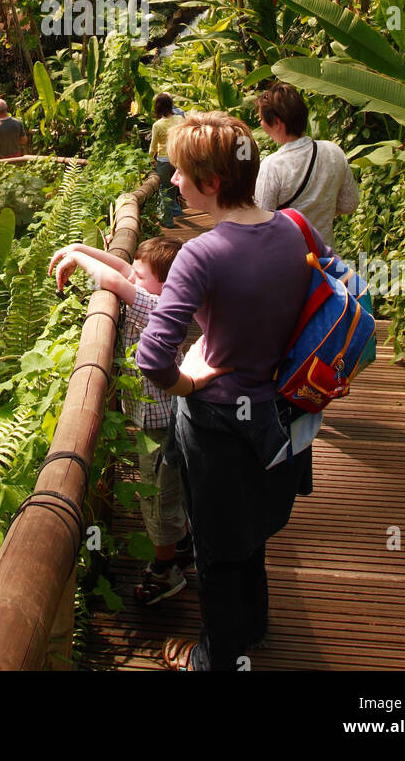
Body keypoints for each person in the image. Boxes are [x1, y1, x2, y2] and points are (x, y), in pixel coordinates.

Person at [135, 110, 334, 672]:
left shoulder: (202, 254)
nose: (172, 182)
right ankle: (255, 626)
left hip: (220, 424)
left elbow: (152, 357)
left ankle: (214, 658)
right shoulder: (297, 227)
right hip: (285, 412)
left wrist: (190, 379)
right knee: (257, 528)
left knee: (219, 549)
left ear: (213, 182)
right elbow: (343, 292)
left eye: (179, 173)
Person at [48, 235, 194, 605]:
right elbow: (124, 270)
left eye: (142, 277)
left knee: (158, 497)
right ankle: (181, 544)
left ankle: (164, 572)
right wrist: (78, 248)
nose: (134, 280)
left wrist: (77, 262)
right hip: (159, 418)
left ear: (164, 284)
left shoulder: (158, 304)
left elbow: (114, 281)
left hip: (160, 426)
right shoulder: (155, 292)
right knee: (166, 490)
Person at [254, 83, 359, 245]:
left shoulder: (273, 166)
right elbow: (349, 204)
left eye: (261, 119)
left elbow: (261, 224)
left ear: (277, 122)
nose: (260, 123)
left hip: (290, 263)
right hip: (325, 259)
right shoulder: (333, 152)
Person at [149, 93, 182, 227]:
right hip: (178, 159)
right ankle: (176, 211)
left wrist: (149, 159)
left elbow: (153, 147)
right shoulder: (180, 119)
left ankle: (167, 220)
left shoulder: (157, 125)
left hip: (164, 160)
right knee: (173, 187)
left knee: (164, 189)